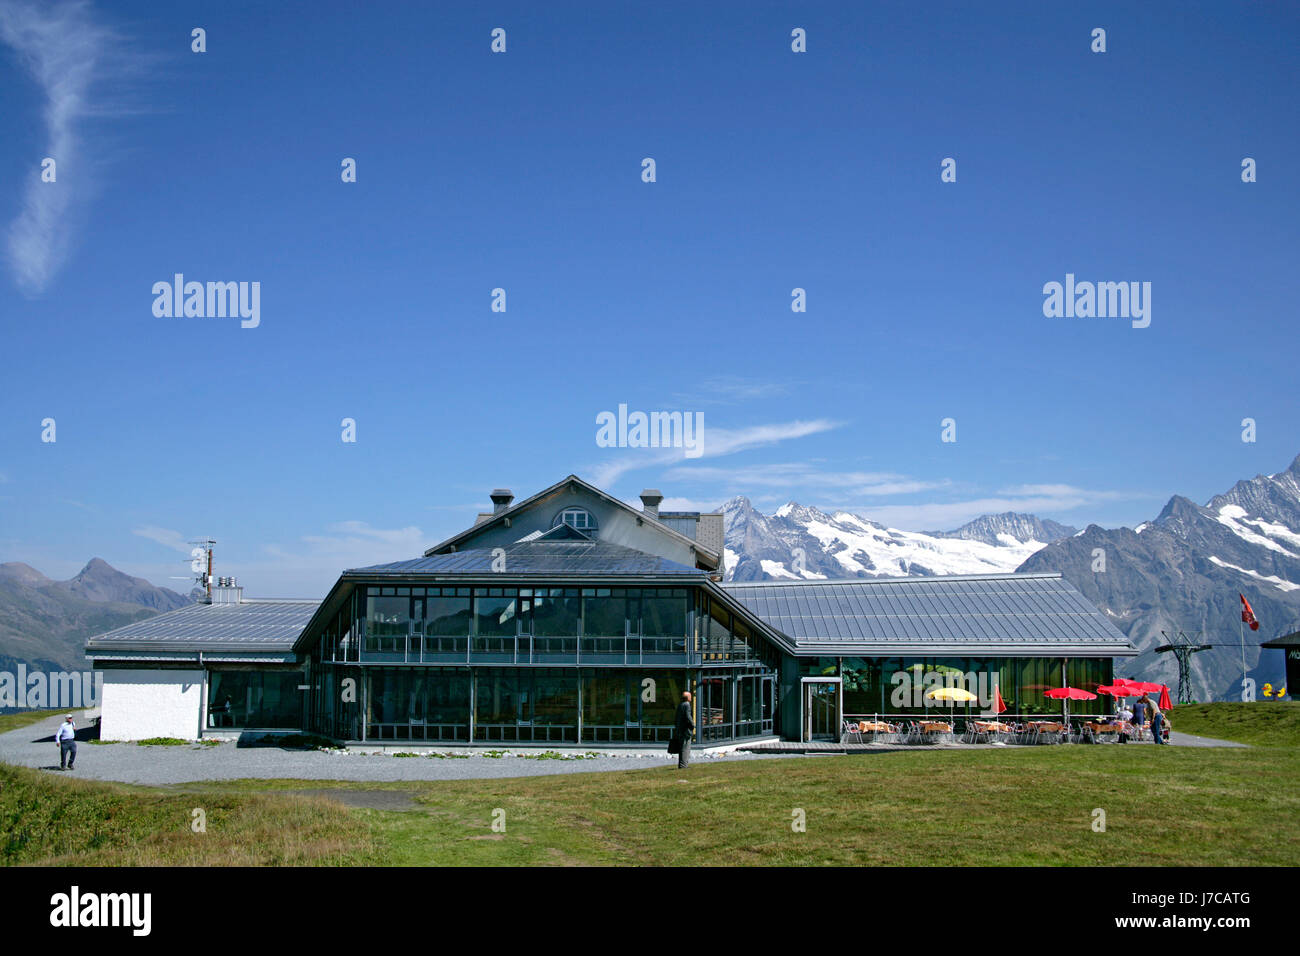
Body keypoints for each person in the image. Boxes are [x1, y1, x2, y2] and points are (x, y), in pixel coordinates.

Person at [673, 691, 696, 769]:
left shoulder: (680, 705)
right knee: (685, 748)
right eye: (690, 696)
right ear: (687, 698)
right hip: (685, 730)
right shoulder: (687, 705)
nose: (691, 697)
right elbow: (688, 716)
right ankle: (683, 765)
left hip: (680, 730)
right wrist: (692, 725)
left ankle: (682, 764)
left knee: (682, 748)